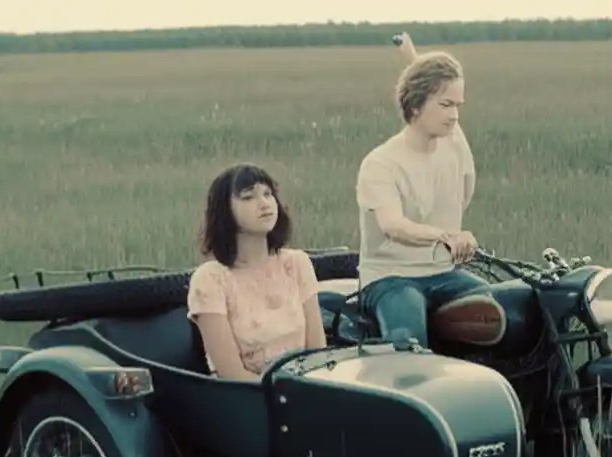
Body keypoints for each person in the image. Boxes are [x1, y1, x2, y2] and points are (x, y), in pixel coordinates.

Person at [354, 32, 489, 348]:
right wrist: (446, 236)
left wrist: (412, 56)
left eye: (458, 105)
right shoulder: (381, 163)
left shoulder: (453, 145)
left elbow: (429, 80)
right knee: (408, 337)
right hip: (390, 277)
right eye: (445, 105)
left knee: (503, 312)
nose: (454, 115)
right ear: (415, 105)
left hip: (443, 272)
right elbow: (393, 226)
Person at [187, 163, 327, 381]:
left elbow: (319, 353)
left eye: (268, 194)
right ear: (225, 210)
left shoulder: (297, 263)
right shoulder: (210, 279)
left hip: (305, 390)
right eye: (248, 197)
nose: (264, 204)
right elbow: (231, 374)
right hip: (248, 397)